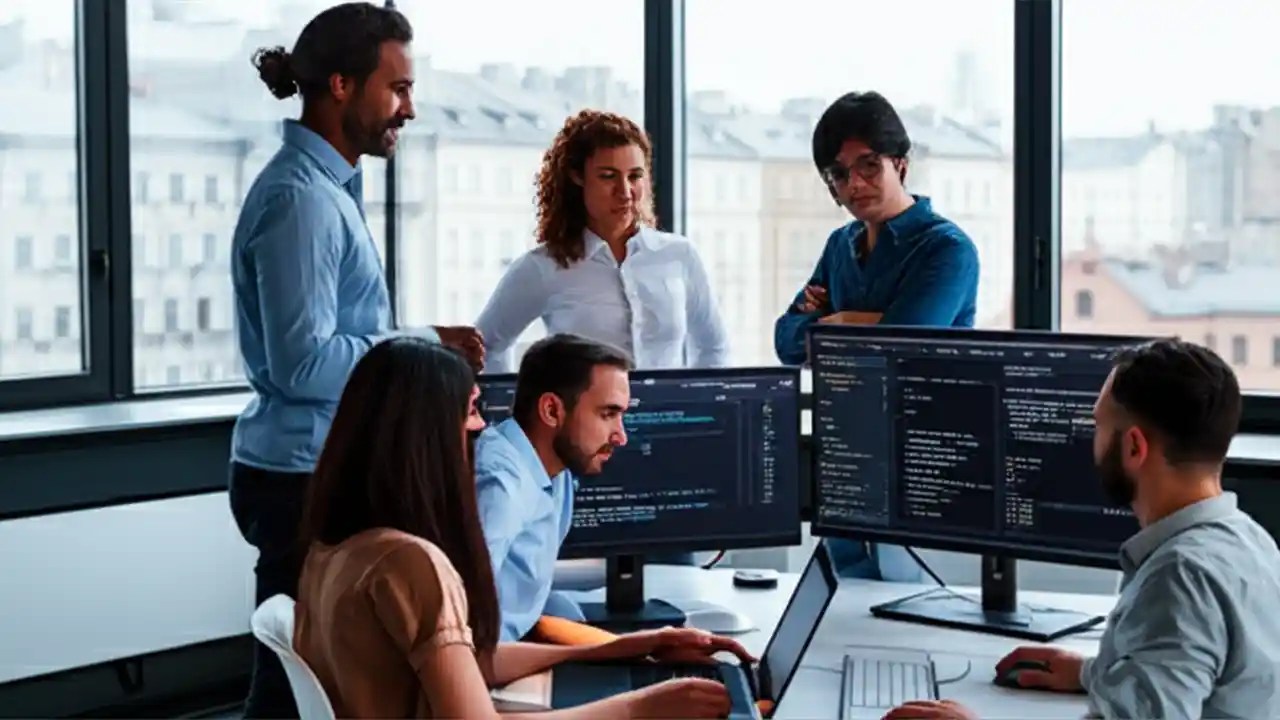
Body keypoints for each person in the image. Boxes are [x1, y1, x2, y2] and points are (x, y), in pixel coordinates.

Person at [228, 4, 482, 716]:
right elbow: (304, 363)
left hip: (311, 464)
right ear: (340, 85)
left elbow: (337, 333)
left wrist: (422, 336)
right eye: (397, 88)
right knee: (289, 694)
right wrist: (421, 348)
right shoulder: (302, 202)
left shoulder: (329, 189)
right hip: (299, 474)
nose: (409, 107)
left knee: (324, 684)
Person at [293, 336, 748, 718]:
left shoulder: (334, 546)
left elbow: (468, 659)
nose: (483, 429)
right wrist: (640, 708)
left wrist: (623, 647)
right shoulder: (412, 562)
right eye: (472, 411)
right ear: (425, 432)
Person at [884, 340, 1280, 720]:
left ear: (1134, 447)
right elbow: (1196, 671)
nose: (1092, 440)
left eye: (1098, 424)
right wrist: (1093, 674)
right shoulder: (1251, 542)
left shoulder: (1180, 576)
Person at [774, 91, 981, 583]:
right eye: (840, 174)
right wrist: (855, 324)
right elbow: (785, 341)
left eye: (869, 166)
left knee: (908, 610)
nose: (855, 184)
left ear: (900, 165)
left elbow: (898, 350)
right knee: (840, 603)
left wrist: (837, 323)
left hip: (917, 460)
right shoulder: (840, 245)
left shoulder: (946, 250)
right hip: (843, 450)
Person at [474, 109, 729, 375]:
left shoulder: (679, 255)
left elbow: (713, 347)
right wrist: (510, 406)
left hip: (671, 415)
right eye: (608, 176)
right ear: (577, 177)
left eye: (635, 176)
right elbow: (485, 346)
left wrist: (703, 406)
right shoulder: (542, 267)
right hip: (584, 417)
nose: (625, 192)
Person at [474, 333, 632, 641]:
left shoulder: (556, 468)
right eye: (607, 414)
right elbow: (461, 633)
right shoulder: (501, 486)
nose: (620, 436)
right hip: (489, 667)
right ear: (551, 411)